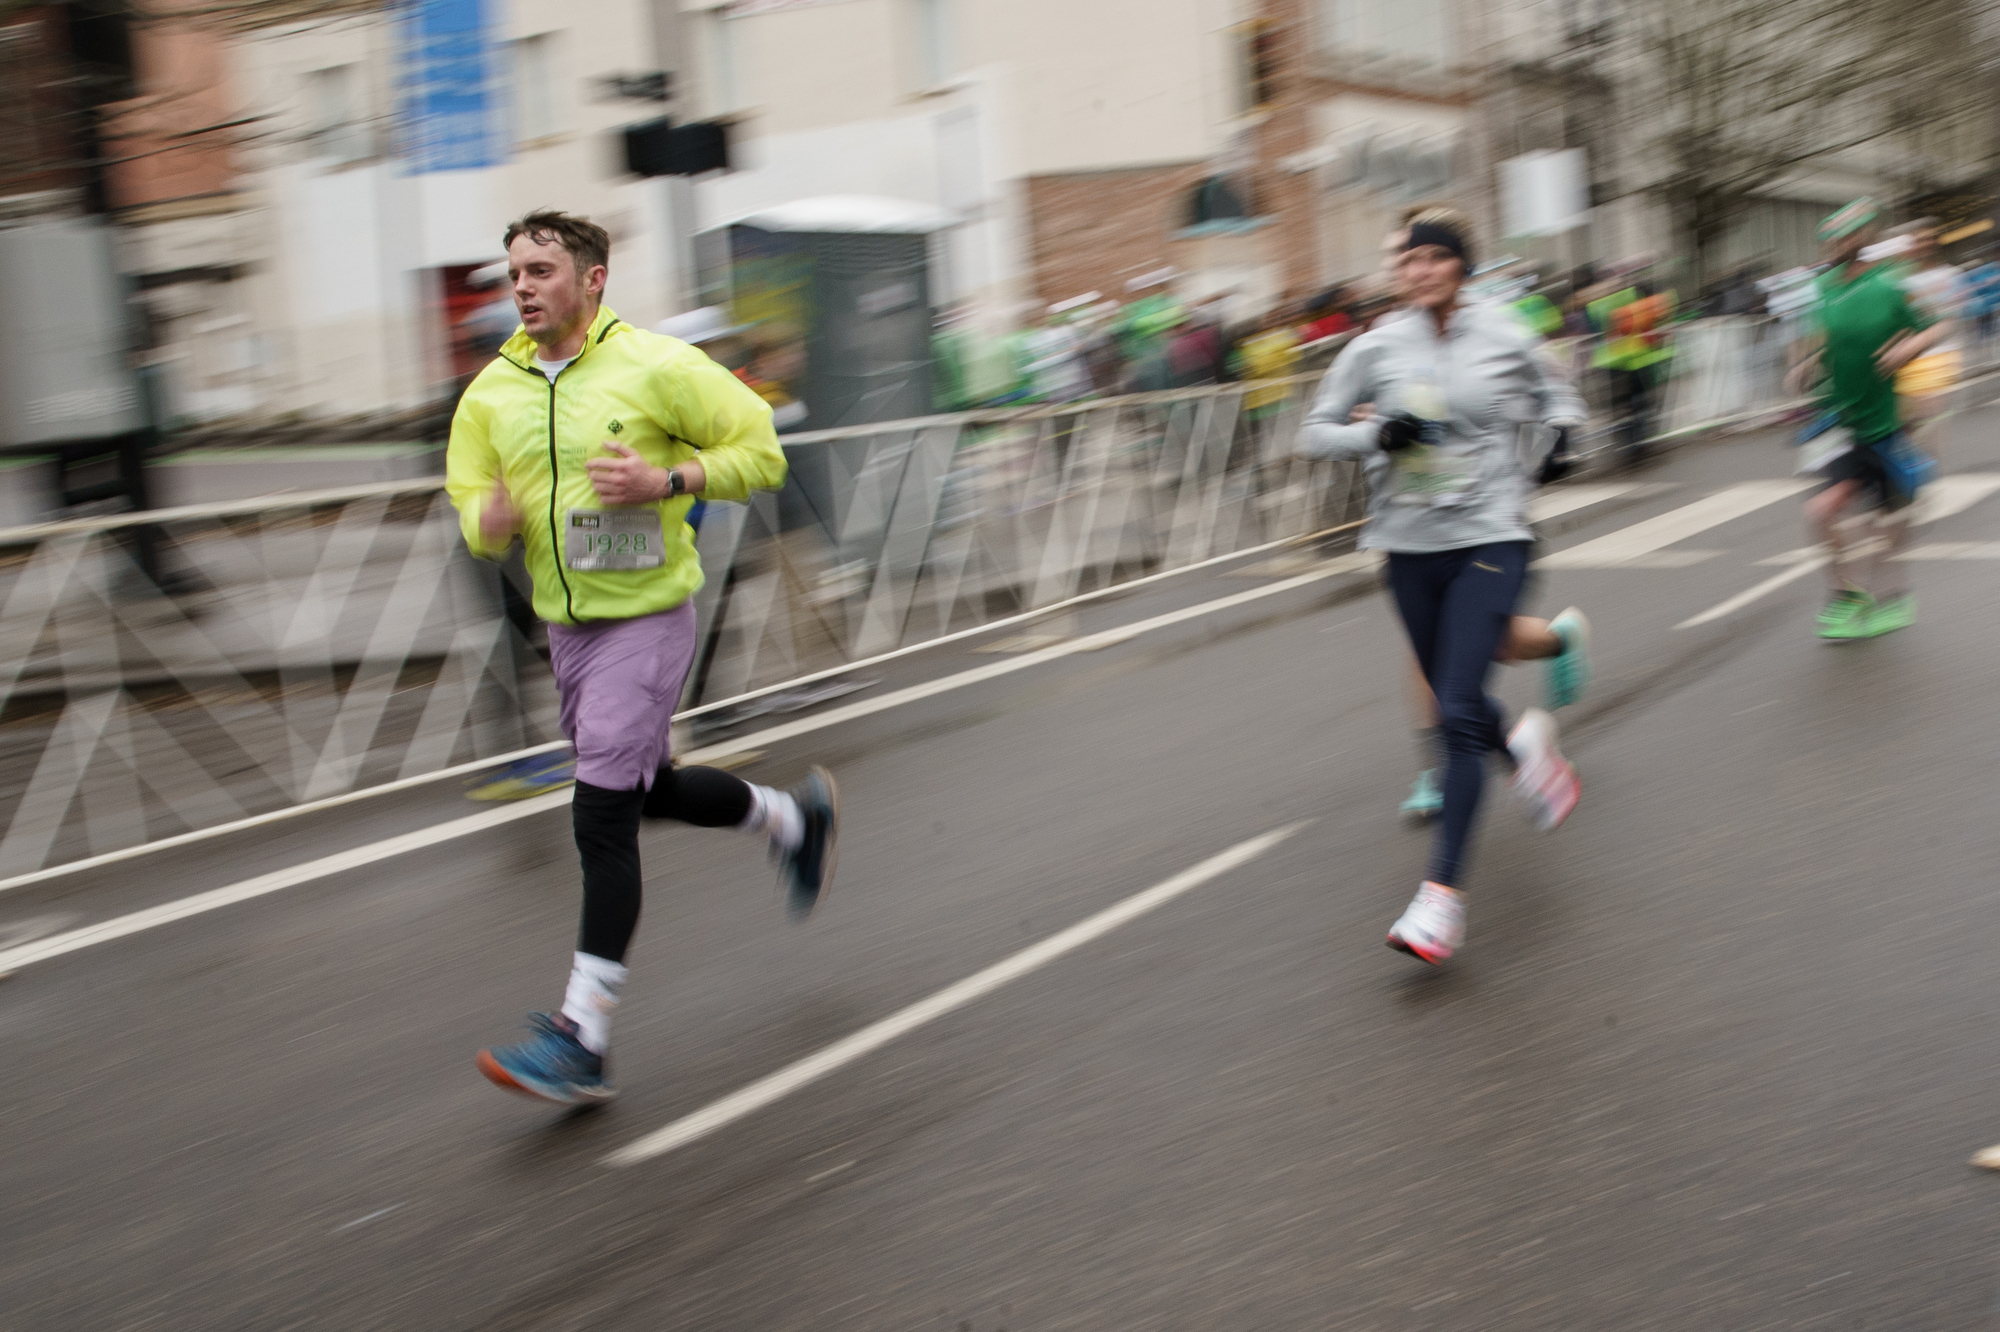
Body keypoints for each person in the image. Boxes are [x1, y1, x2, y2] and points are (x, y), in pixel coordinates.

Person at [448, 210, 839, 1105]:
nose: (522, 286)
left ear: (591, 280)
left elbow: (762, 451)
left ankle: (582, 1035)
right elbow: (469, 493)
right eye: (514, 271)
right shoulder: (492, 392)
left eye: (541, 269)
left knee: (599, 816)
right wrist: (488, 521)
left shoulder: (659, 366)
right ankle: (791, 819)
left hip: (650, 618)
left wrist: (669, 480)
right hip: (569, 629)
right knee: (644, 789)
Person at [1297, 206, 1584, 965]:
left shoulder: (1506, 333)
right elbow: (1315, 429)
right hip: (1406, 544)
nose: (1420, 271)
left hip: (1491, 533)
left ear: (1462, 265)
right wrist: (1374, 436)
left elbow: (1560, 395)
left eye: (1435, 258)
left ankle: (1440, 903)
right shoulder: (1375, 346)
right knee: (1461, 694)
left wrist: (1562, 442)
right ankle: (1528, 753)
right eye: (1409, 262)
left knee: (1455, 710)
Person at [1785, 199, 1947, 641]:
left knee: (1888, 522)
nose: (1834, 245)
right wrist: (1806, 364)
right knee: (1821, 512)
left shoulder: (1890, 286)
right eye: (1829, 238)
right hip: (1843, 424)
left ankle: (1894, 597)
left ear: (1862, 237)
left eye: (1842, 237)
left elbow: (1937, 326)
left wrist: (1907, 348)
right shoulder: (1824, 289)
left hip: (1887, 425)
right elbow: (1819, 337)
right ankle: (1846, 596)